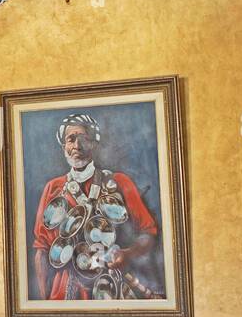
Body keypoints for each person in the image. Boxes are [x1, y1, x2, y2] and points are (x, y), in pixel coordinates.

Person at [32, 112, 160, 301]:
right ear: (64, 147)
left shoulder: (119, 182)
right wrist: (44, 303)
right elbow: (42, 250)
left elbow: (148, 234)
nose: (77, 145)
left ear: (94, 143)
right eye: (71, 139)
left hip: (111, 287)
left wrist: (128, 253)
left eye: (83, 138)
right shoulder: (53, 188)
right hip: (64, 292)